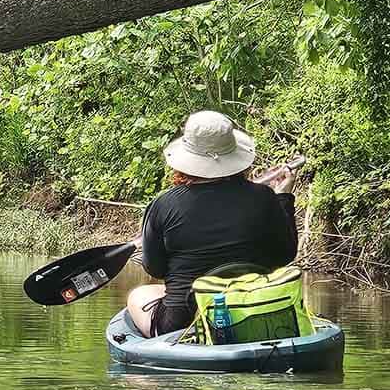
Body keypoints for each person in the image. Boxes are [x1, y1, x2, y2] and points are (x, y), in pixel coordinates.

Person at [127, 110, 299, 338]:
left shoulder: (162, 205)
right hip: (254, 312)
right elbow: (285, 255)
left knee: (139, 295)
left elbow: (155, 269)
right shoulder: (265, 197)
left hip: (184, 321)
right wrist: (283, 197)